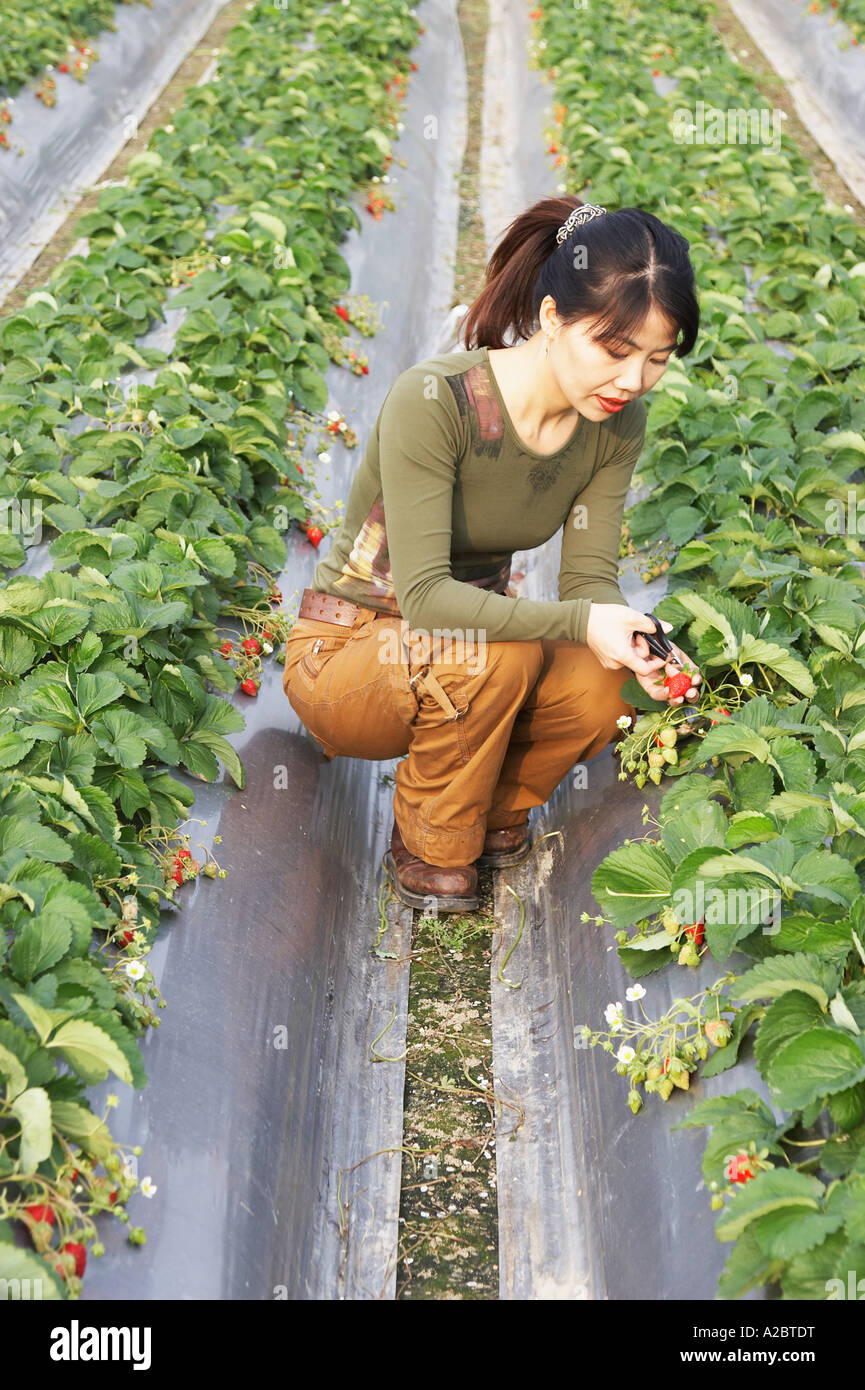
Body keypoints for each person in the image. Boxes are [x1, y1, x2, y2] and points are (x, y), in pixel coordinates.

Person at [282, 195, 702, 913]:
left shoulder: (613, 425)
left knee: (606, 677)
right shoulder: (437, 400)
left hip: (461, 643)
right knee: (503, 653)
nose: (632, 381)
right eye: (613, 349)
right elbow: (423, 600)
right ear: (549, 318)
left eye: (656, 359)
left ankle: (495, 809)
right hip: (351, 649)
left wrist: (638, 643)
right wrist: (576, 624)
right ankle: (430, 842)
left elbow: (588, 580)